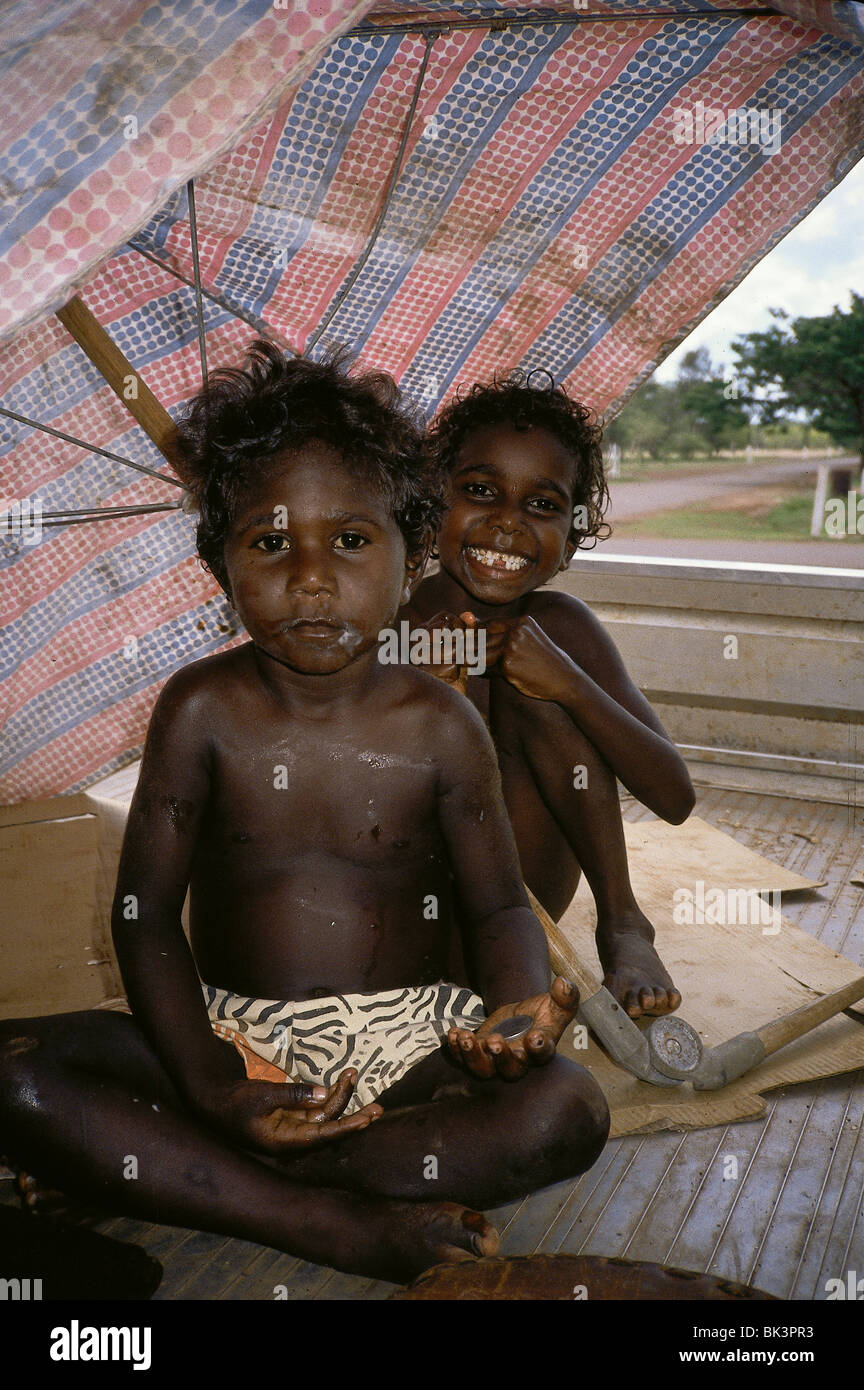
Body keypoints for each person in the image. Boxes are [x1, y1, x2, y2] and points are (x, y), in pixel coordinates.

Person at [0, 344, 609, 1285]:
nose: (314, 578)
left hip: (412, 1045)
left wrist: (509, 1016)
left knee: (565, 1112)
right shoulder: (199, 711)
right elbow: (146, 916)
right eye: (272, 542)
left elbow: (494, 909)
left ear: (412, 555)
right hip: (230, 1037)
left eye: (353, 541)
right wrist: (213, 1086)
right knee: (16, 1068)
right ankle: (325, 1220)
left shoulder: (440, 723)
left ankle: (201, 1176)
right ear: (219, 564)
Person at [401, 373, 696, 1020]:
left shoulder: (562, 627)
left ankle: (622, 922)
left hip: (527, 914)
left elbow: (675, 798)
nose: (507, 523)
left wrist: (570, 684)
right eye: (479, 492)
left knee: (538, 687)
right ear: (431, 505)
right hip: (412, 928)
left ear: (570, 538)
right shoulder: (393, 629)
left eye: (542, 505)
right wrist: (431, 695)